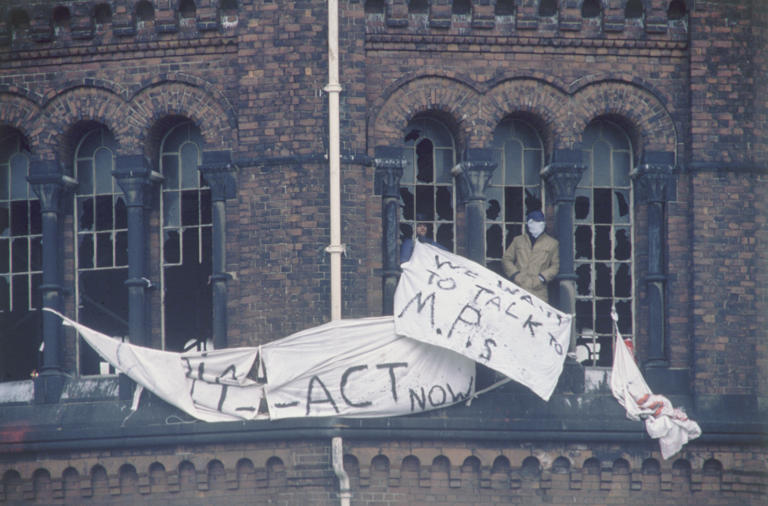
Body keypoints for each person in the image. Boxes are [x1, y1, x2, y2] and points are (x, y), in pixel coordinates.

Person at [502, 210, 559, 302]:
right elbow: (507, 259)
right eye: (534, 222)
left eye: (540, 223)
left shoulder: (552, 243)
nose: (537, 225)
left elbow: (556, 266)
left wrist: (541, 278)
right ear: (528, 224)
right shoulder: (518, 240)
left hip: (538, 290)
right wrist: (515, 275)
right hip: (518, 288)